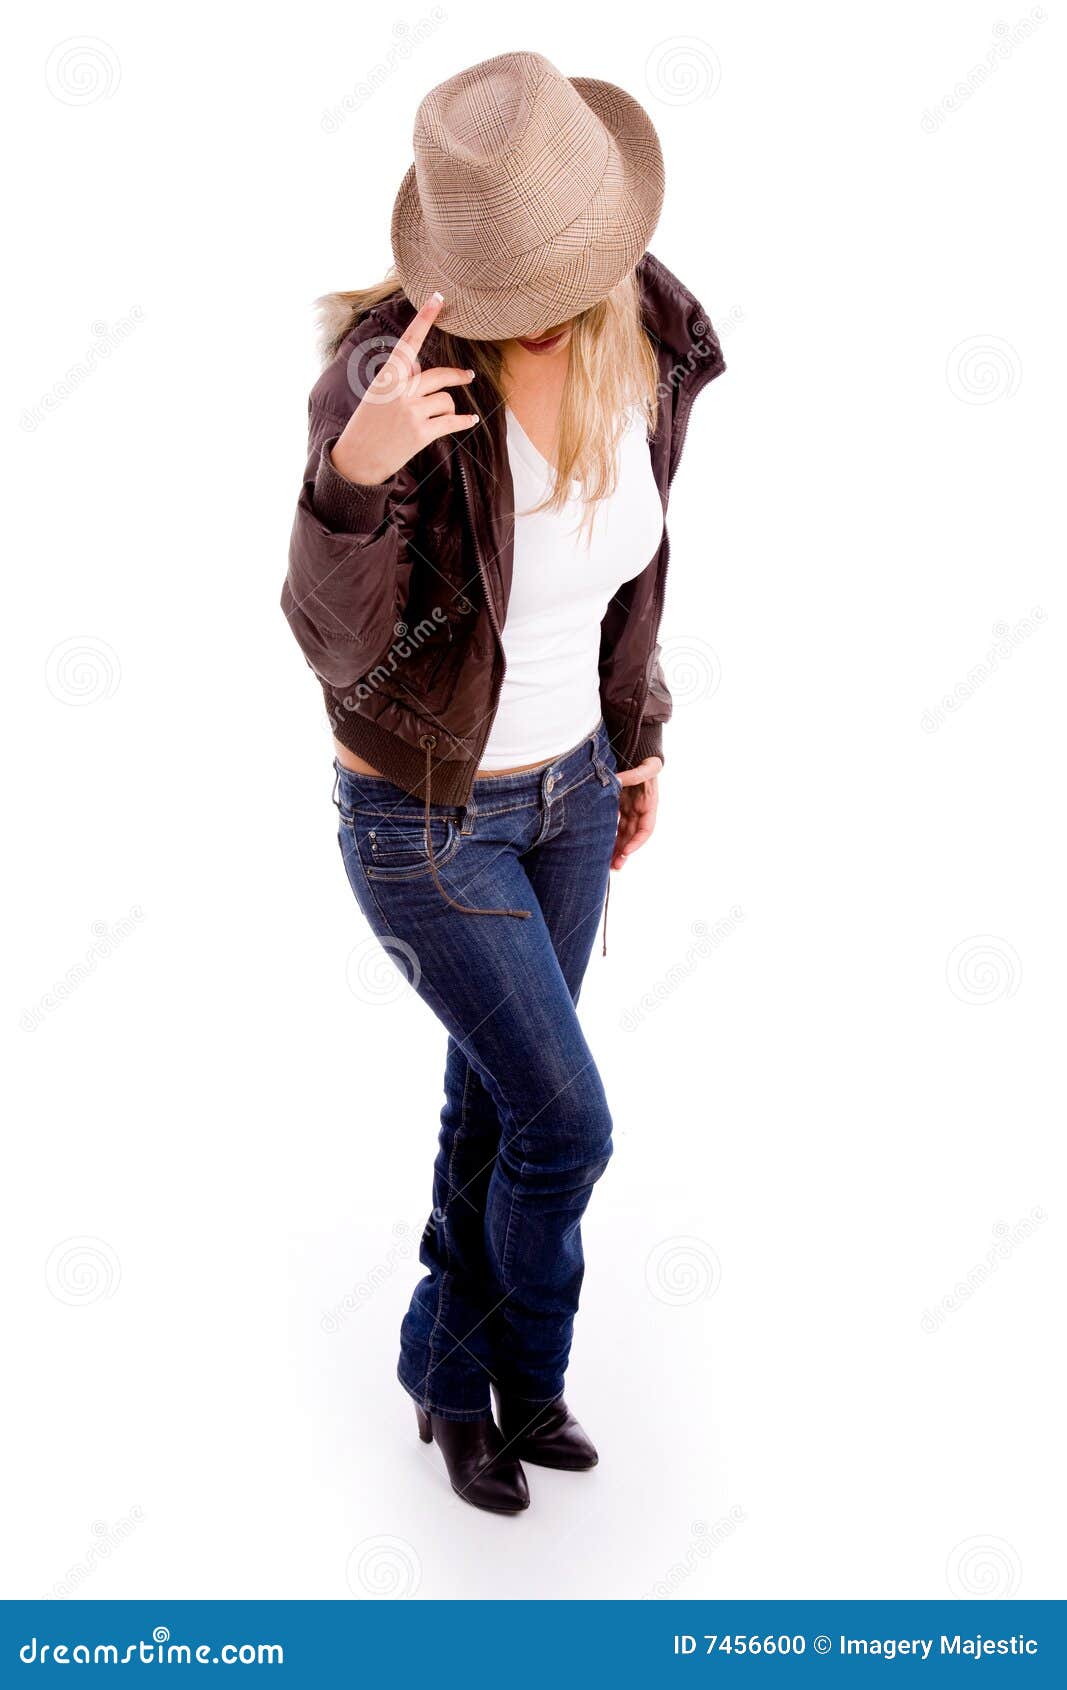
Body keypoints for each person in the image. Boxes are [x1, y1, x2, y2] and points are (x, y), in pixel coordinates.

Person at [282, 51, 724, 1512]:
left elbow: (630, 565)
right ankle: (483, 1369)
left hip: (573, 794)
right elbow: (336, 645)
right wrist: (352, 478)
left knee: (497, 1103)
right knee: (565, 1121)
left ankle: (486, 1385)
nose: (552, 295)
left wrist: (635, 730)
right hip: (426, 822)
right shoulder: (391, 380)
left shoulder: (643, 328)